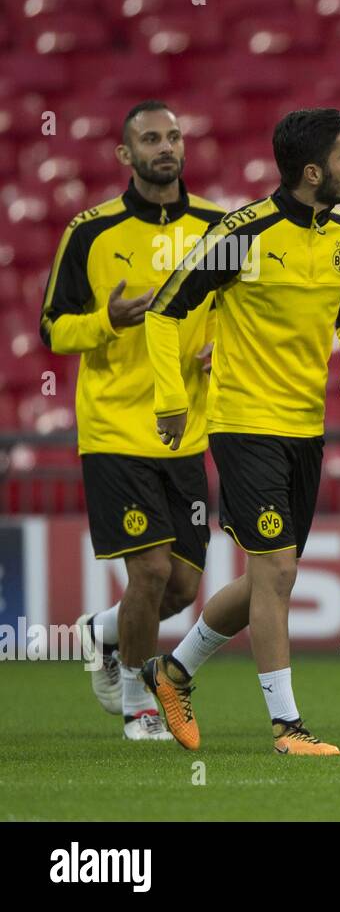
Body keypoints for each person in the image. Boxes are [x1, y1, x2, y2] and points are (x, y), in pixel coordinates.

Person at [142, 108, 340, 755]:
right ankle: (287, 726)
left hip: (303, 428)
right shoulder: (241, 233)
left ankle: (172, 672)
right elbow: (164, 311)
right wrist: (172, 399)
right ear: (313, 172)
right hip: (242, 422)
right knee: (278, 569)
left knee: (268, 578)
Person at [40, 100, 223, 740]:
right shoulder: (90, 232)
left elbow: (245, 313)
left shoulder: (219, 229)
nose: (165, 146)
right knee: (147, 573)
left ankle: (102, 633)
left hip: (188, 430)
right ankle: (141, 708)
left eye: (173, 135)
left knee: (180, 587)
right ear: (125, 154)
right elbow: (52, 327)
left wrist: (220, 346)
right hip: (116, 429)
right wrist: (106, 321)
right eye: (150, 138)